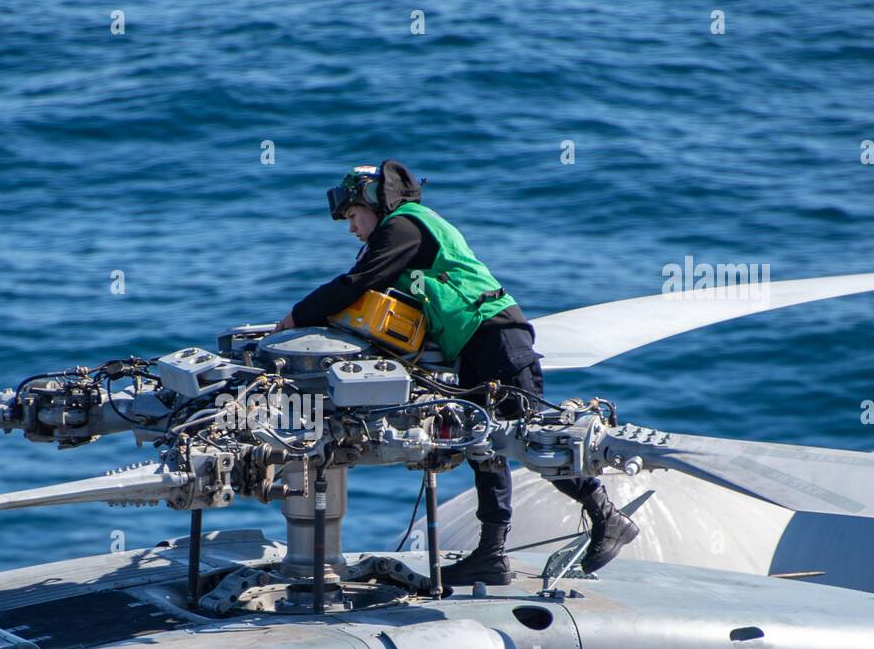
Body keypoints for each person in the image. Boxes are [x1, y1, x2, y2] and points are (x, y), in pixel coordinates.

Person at [273, 160, 638, 584]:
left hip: (495, 337)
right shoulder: (405, 234)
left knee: (528, 437)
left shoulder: (404, 226)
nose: (352, 228)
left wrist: (295, 317)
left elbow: (359, 282)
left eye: (353, 216)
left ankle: (605, 517)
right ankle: (491, 555)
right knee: (483, 444)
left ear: (374, 202)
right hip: (474, 343)